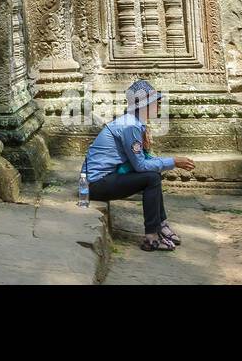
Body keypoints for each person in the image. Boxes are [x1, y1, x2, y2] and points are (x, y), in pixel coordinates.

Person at [82, 79, 195, 251]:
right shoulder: (130, 127)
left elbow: (141, 161)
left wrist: (150, 152)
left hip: (101, 180)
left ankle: (160, 225)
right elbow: (141, 166)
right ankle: (152, 236)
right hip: (94, 185)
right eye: (155, 103)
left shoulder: (134, 123)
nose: (158, 106)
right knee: (151, 178)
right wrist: (174, 161)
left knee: (153, 176)